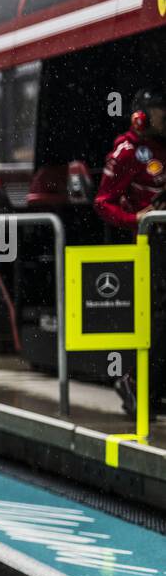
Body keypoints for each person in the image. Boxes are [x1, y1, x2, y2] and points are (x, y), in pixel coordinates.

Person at [94, 88, 166, 418]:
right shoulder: (126, 152)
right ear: (142, 115)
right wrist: (135, 219)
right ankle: (134, 384)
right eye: (159, 110)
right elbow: (102, 203)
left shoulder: (161, 148)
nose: (164, 116)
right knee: (151, 319)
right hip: (146, 247)